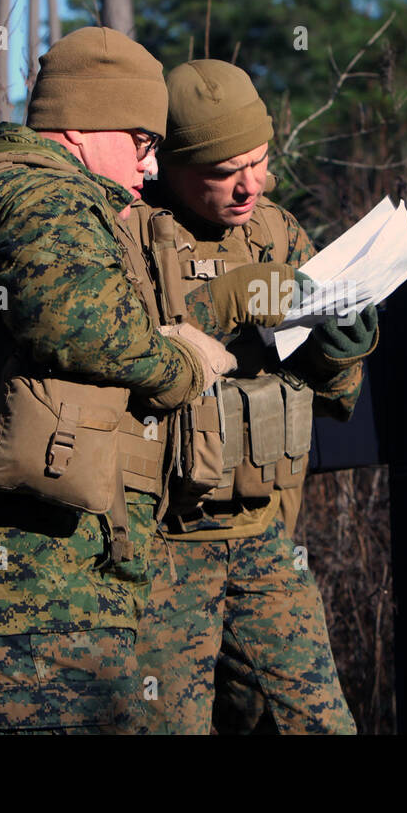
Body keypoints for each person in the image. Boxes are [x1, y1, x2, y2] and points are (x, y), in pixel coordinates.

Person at [0, 28, 289, 733]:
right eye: (141, 141)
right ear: (80, 126)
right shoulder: (44, 196)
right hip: (27, 599)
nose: (148, 169)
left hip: (23, 597)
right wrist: (180, 364)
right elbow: (79, 324)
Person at [129, 59, 377, 734]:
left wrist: (342, 351)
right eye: (222, 170)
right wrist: (225, 301)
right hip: (160, 547)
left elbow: (331, 395)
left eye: (259, 161)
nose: (249, 185)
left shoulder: (274, 230)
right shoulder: (127, 232)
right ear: (169, 163)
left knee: (319, 723)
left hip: (263, 536)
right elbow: (118, 358)